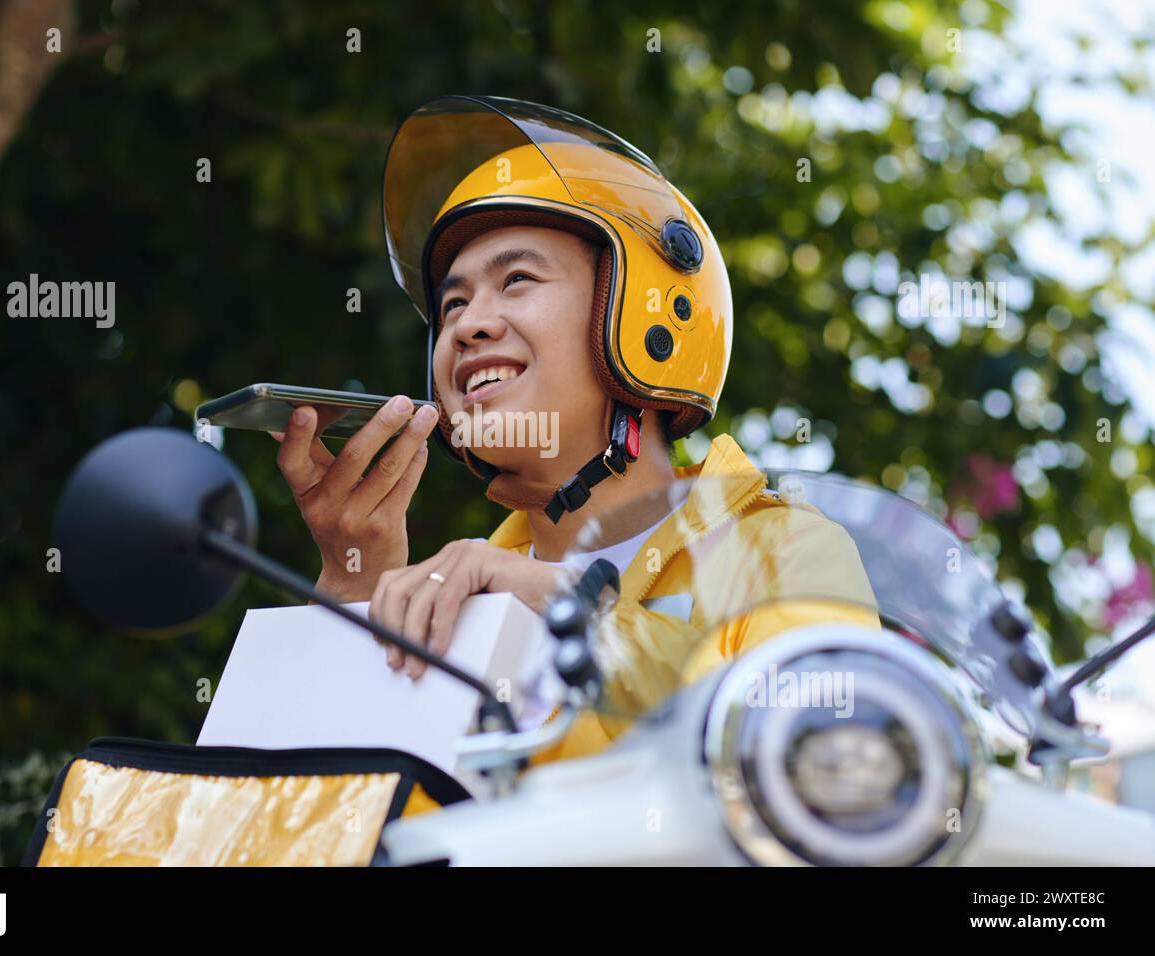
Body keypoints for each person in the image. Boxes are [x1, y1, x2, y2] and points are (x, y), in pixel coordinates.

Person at [274, 96, 873, 761]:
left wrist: (554, 601)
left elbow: (817, 759)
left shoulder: (779, 550)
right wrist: (354, 590)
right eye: (453, 304)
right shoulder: (450, 589)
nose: (468, 325)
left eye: (518, 279)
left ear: (644, 319)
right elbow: (313, 829)